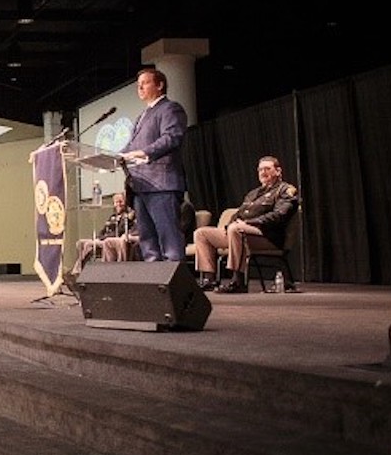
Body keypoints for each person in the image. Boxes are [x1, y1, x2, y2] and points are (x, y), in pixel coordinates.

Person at [194, 155, 300, 293]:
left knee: (236, 229)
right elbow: (239, 213)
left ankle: (238, 280)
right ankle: (209, 279)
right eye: (260, 170)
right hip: (242, 233)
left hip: (267, 236)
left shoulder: (285, 191)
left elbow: (279, 215)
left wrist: (249, 223)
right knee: (202, 233)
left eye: (267, 169)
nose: (263, 172)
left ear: (278, 171)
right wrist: (230, 224)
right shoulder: (253, 193)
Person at [120, 67, 188, 262]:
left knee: (169, 241)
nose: (140, 87)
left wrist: (145, 152)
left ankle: (176, 286)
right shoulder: (141, 116)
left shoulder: (170, 108)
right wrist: (113, 156)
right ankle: (156, 288)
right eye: (138, 84)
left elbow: (172, 137)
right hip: (140, 185)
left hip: (162, 185)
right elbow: (131, 146)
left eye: (145, 82)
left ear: (159, 85)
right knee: (148, 242)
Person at [70, 191, 138, 275]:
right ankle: (78, 270)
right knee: (80, 243)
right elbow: (103, 230)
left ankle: (81, 271)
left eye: (121, 201)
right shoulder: (112, 217)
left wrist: (101, 238)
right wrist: (98, 237)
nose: (118, 204)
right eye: (116, 202)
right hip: (103, 238)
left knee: (89, 245)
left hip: (114, 239)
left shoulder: (126, 217)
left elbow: (119, 231)